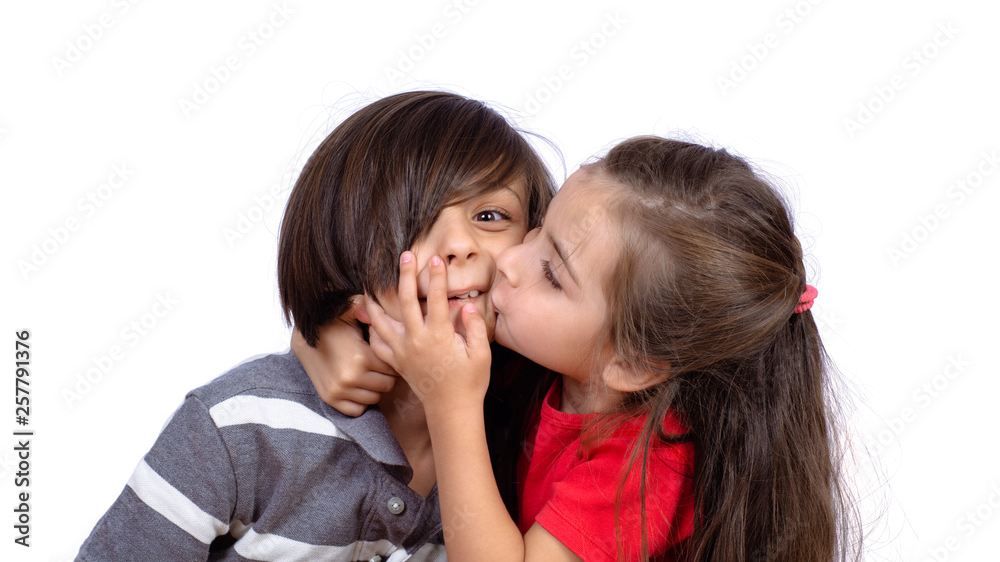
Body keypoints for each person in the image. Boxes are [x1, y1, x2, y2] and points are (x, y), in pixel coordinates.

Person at [74, 90, 556, 562]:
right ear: (345, 238)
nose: (458, 245)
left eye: (491, 216)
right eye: (415, 217)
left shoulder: (531, 436)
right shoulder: (240, 427)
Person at [345, 136, 857, 561]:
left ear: (632, 364)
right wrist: (323, 338)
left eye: (551, 273)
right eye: (541, 227)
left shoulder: (651, 464)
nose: (512, 260)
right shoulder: (550, 357)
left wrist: (451, 404)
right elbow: (394, 320)